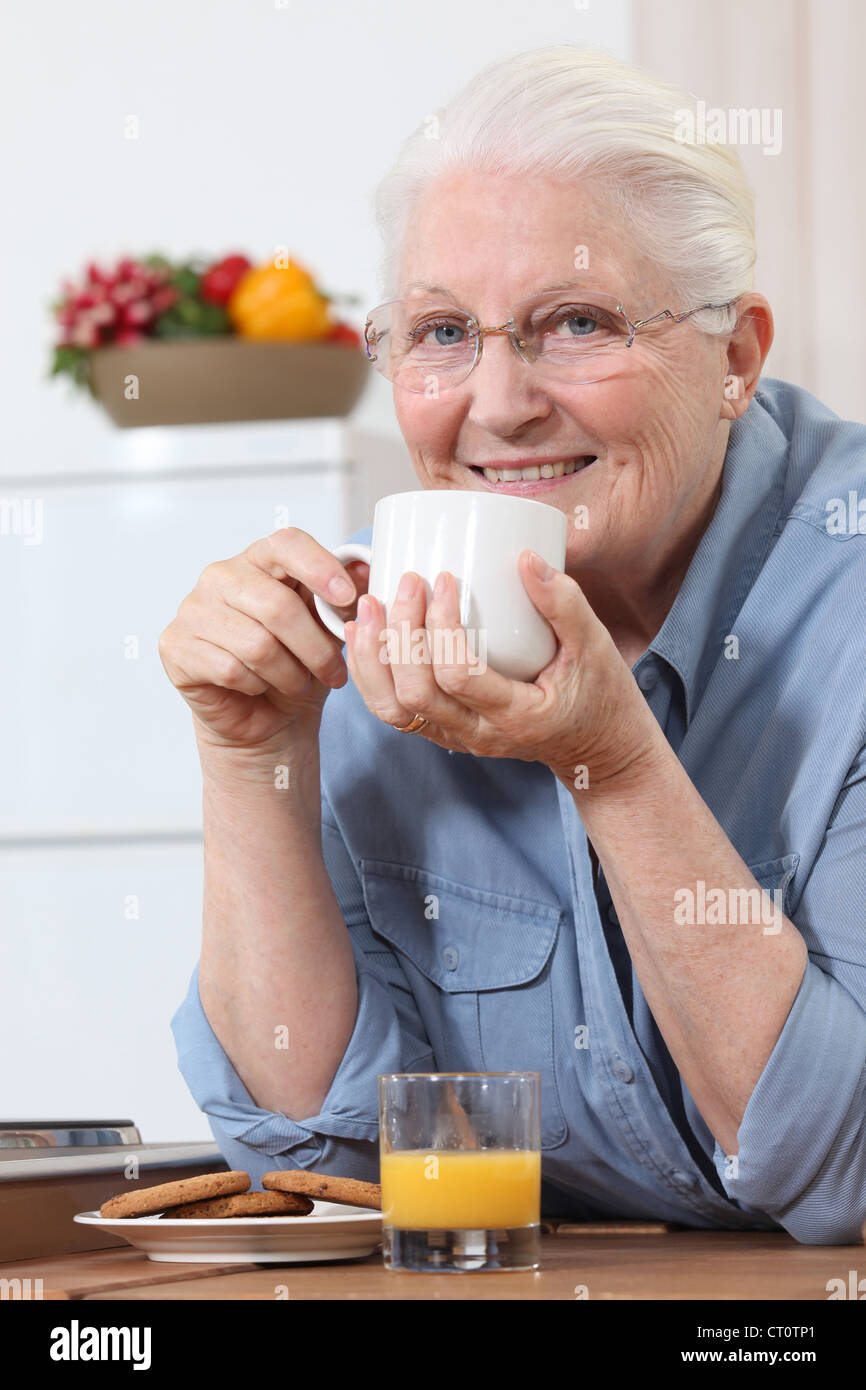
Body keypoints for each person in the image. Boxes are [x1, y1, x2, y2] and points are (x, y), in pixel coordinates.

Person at [161, 45, 866, 1244]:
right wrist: (250, 755)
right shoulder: (373, 624)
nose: (495, 404)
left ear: (734, 359)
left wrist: (615, 765)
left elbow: (845, 1173)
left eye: (575, 322)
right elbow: (320, 1164)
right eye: (440, 332)